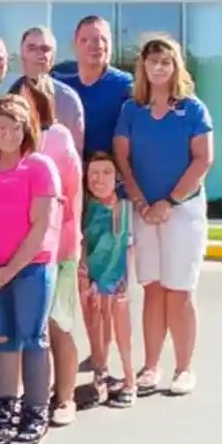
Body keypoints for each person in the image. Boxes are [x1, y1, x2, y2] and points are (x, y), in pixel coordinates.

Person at [114, 35, 213, 398]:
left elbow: (203, 159)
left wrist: (168, 202)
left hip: (181, 211)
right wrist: (141, 203)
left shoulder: (193, 109)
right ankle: (150, 365)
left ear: (176, 67)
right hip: (144, 212)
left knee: (179, 290)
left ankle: (184, 368)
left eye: (166, 62)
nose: (159, 67)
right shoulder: (131, 110)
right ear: (143, 67)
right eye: (153, 61)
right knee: (152, 288)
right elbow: (121, 157)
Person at [0, 96, 61, 444]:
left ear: (26, 129)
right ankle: (7, 406)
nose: (6, 133)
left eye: (14, 127)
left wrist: (8, 270)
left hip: (29, 269)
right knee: (1, 337)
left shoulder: (39, 166)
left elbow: (40, 226)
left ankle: (36, 411)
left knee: (32, 337)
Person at [17, 75, 84, 426]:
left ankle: (66, 397)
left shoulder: (58, 138)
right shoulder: (13, 141)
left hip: (59, 248)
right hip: (21, 250)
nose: (24, 106)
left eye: (31, 99)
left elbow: (73, 195)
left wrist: (70, 246)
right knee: (30, 327)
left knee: (60, 323)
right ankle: (29, 398)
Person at [81, 152, 136, 408]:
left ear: (117, 177)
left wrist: (126, 277)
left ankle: (129, 378)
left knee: (122, 326)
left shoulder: (125, 209)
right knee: (96, 325)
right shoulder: (86, 208)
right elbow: (82, 243)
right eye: (93, 173)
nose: (99, 179)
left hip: (118, 280)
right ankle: (100, 373)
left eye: (106, 173)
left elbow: (130, 246)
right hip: (92, 279)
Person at [59, 16, 133, 157]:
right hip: (69, 171)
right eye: (85, 40)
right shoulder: (60, 84)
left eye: (102, 39)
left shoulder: (125, 85)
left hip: (109, 174)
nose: (96, 45)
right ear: (75, 45)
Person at [13, 27, 84, 153]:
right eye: (32, 48)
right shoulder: (7, 95)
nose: (39, 55)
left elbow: (74, 155)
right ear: (22, 54)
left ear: (53, 58)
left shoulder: (68, 101)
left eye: (45, 49)